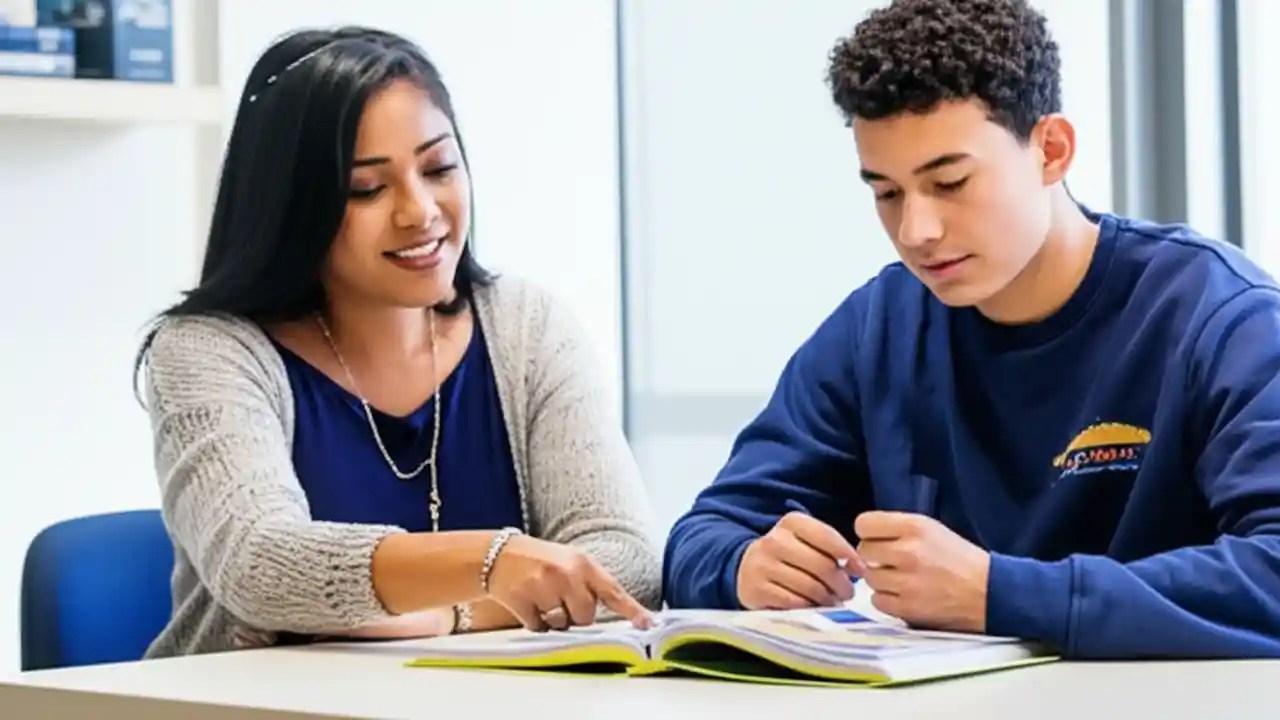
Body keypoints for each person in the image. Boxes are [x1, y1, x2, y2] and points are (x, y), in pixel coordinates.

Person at [662, 0, 1280, 659]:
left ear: (1051, 150)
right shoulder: (877, 329)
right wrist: (746, 566)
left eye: (950, 182)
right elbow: (703, 535)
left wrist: (1001, 593)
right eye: (887, 193)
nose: (915, 232)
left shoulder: (1220, 316)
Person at [136, 26, 660, 657]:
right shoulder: (207, 352)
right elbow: (260, 564)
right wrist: (495, 560)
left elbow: (626, 562)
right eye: (367, 189)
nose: (420, 212)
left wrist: (453, 614)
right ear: (291, 205)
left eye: (439, 168)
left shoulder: (527, 328)